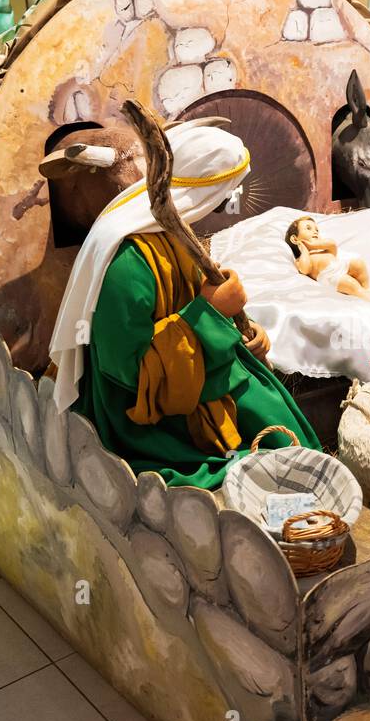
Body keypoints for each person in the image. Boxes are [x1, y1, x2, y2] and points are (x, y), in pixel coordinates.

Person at [49, 121, 320, 489]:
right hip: (153, 412)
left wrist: (246, 329)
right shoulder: (126, 261)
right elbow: (130, 374)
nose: (221, 205)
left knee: (274, 413)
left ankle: (305, 490)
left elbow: (194, 295)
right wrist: (209, 313)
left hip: (195, 369)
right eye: (219, 194)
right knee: (272, 440)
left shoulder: (174, 238)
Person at [285, 216, 370, 308]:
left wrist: (313, 245)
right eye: (308, 228)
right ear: (295, 239)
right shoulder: (301, 258)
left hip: (339, 265)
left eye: (317, 230)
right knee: (351, 284)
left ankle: (367, 288)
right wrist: (304, 249)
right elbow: (305, 269)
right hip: (329, 276)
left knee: (359, 264)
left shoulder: (323, 248)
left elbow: (332, 244)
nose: (315, 232)